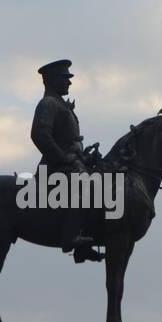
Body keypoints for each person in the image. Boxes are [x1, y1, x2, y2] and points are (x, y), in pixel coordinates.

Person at [30, 60, 101, 263]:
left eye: (69, 79)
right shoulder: (48, 104)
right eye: (65, 79)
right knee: (85, 185)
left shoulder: (61, 105)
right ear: (51, 80)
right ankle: (70, 238)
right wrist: (63, 159)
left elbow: (70, 141)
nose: (69, 83)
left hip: (72, 164)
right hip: (55, 168)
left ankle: (84, 243)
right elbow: (39, 135)